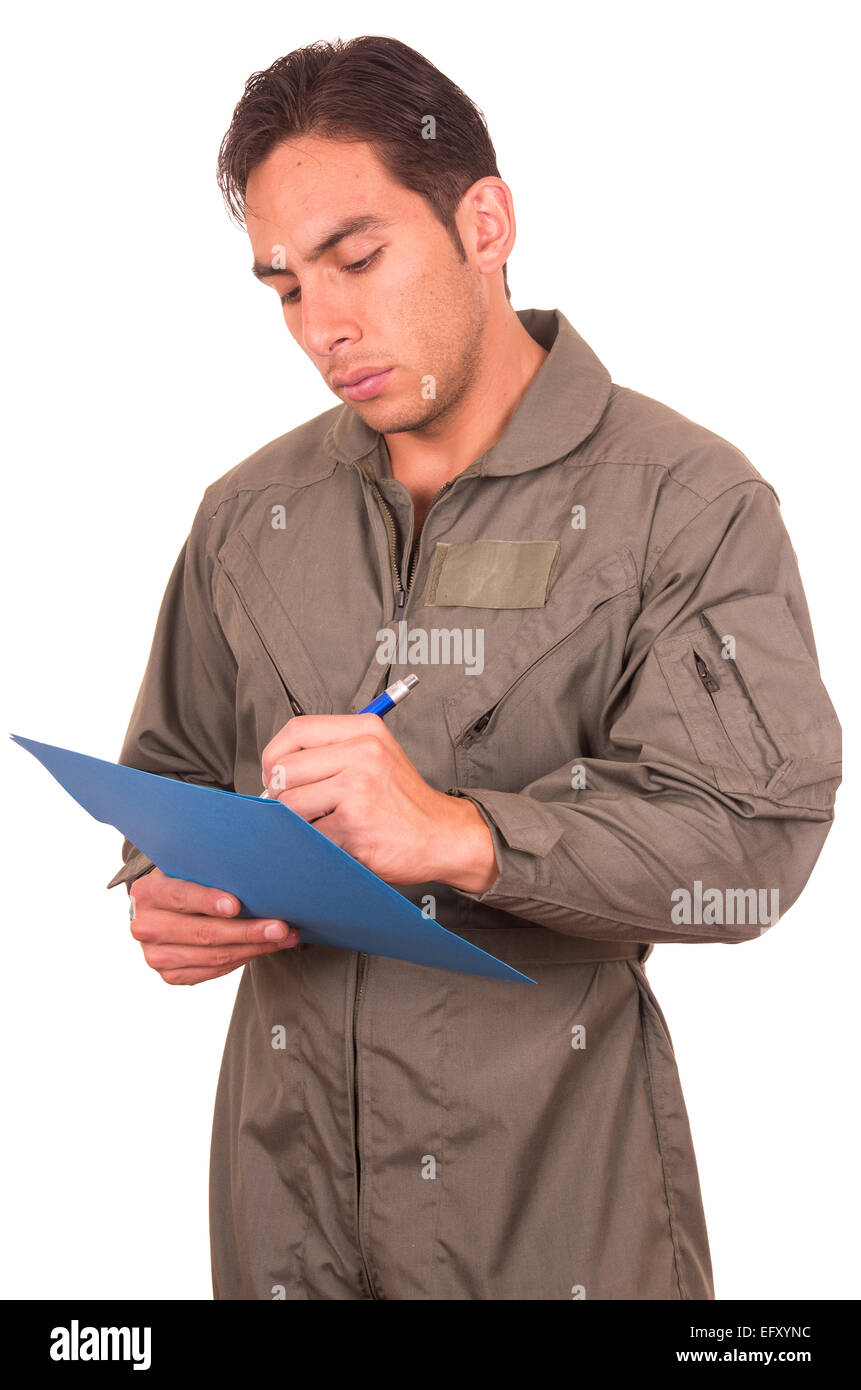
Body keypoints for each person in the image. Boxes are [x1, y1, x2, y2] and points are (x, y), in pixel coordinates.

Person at [108, 36, 841, 1300]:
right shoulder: (247, 513)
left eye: (358, 257)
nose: (324, 326)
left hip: (554, 1219)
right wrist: (165, 890)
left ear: (484, 222)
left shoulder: (685, 502)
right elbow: (167, 773)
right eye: (284, 287)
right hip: (284, 1218)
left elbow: (754, 842)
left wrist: (462, 834)